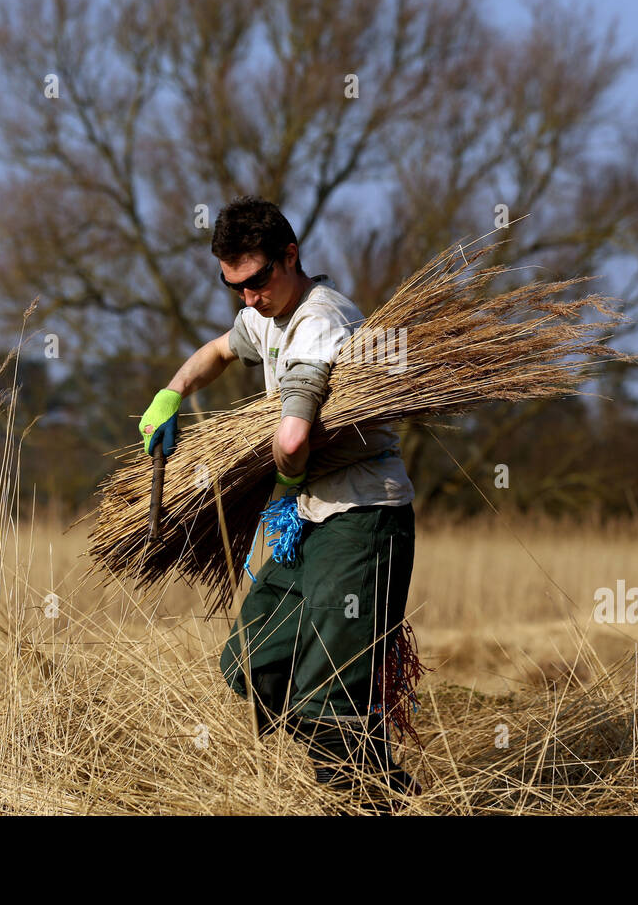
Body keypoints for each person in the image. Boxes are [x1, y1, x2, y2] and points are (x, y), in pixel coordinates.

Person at [136, 195, 423, 812]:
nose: (247, 297)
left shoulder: (321, 321)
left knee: (328, 700)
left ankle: (374, 801)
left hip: (361, 515)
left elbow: (291, 439)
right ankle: (381, 783)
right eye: (232, 285)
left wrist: (282, 484)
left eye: (257, 281)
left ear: (290, 257)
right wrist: (171, 393)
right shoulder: (264, 314)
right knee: (254, 662)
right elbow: (217, 351)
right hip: (310, 520)